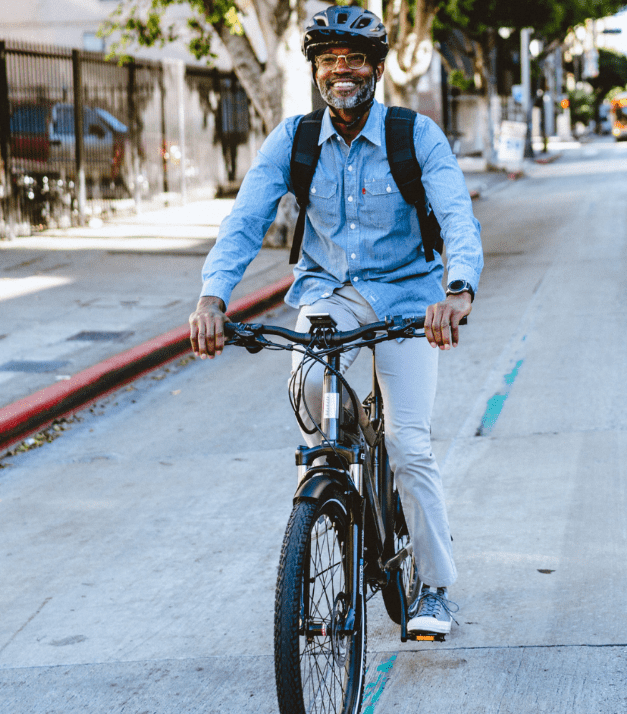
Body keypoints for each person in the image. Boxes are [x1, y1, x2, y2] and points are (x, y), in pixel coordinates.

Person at [187, 4, 482, 638]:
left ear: (377, 68)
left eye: (353, 59)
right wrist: (213, 298)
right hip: (329, 294)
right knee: (316, 403)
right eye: (328, 61)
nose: (340, 71)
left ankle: (432, 586)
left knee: (408, 443)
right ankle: (329, 502)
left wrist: (457, 290)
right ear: (316, 70)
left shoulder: (415, 135)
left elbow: (456, 213)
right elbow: (246, 220)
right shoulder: (293, 139)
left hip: (409, 300)